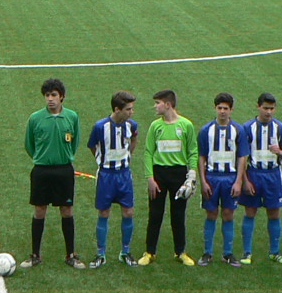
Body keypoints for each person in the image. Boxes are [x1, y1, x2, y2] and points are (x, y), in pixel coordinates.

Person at [22, 77, 84, 268]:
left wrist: (62, 157)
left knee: (66, 210)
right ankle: (35, 255)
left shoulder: (72, 117)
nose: (50, 99)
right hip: (41, 171)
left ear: (62, 97)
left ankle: (70, 255)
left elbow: (75, 142)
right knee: (40, 210)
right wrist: (42, 158)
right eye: (47, 95)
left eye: (54, 95)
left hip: (64, 170)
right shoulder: (35, 118)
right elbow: (29, 145)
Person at [139, 89, 197, 265]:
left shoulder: (186, 125)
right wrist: (150, 177)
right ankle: (150, 252)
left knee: (178, 215)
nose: (155, 106)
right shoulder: (155, 126)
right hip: (159, 175)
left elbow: (193, 151)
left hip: (178, 174)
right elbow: (148, 152)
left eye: (158, 103)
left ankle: (180, 252)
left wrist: (192, 175)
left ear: (168, 104)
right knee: (155, 214)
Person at [235, 92, 282, 263]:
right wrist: (245, 180)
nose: (269, 112)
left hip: (273, 175)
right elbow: (242, 157)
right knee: (250, 211)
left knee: (274, 213)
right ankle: (247, 252)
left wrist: (279, 152)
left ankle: (274, 252)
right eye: (266, 108)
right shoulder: (247, 128)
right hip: (253, 174)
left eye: (272, 108)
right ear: (258, 106)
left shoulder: (280, 128)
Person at [87, 90, 139, 267]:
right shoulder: (100, 126)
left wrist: (128, 155)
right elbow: (92, 145)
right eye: (128, 109)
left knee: (128, 211)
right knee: (104, 212)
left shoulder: (131, 125)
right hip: (106, 176)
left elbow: (135, 138)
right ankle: (100, 253)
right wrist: (100, 160)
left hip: (124, 174)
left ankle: (125, 251)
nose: (131, 112)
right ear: (117, 109)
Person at [197, 92, 242, 266]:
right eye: (219, 108)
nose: (222, 112)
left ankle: (228, 253)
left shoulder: (238, 130)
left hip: (230, 178)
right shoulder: (206, 130)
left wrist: (238, 181)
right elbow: (201, 157)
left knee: (228, 213)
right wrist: (203, 181)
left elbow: (242, 157)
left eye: (226, 108)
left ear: (231, 110)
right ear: (215, 108)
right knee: (211, 213)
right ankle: (207, 252)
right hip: (212, 177)